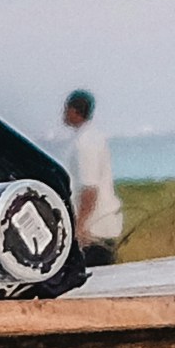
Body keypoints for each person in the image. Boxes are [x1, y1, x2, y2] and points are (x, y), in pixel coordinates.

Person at [57, 89, 128, 260]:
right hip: (99, 226)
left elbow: (89, 188)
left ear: (74, 111)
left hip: (94, 231)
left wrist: (79, 227)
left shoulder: (85, 143)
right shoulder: (90, 138)